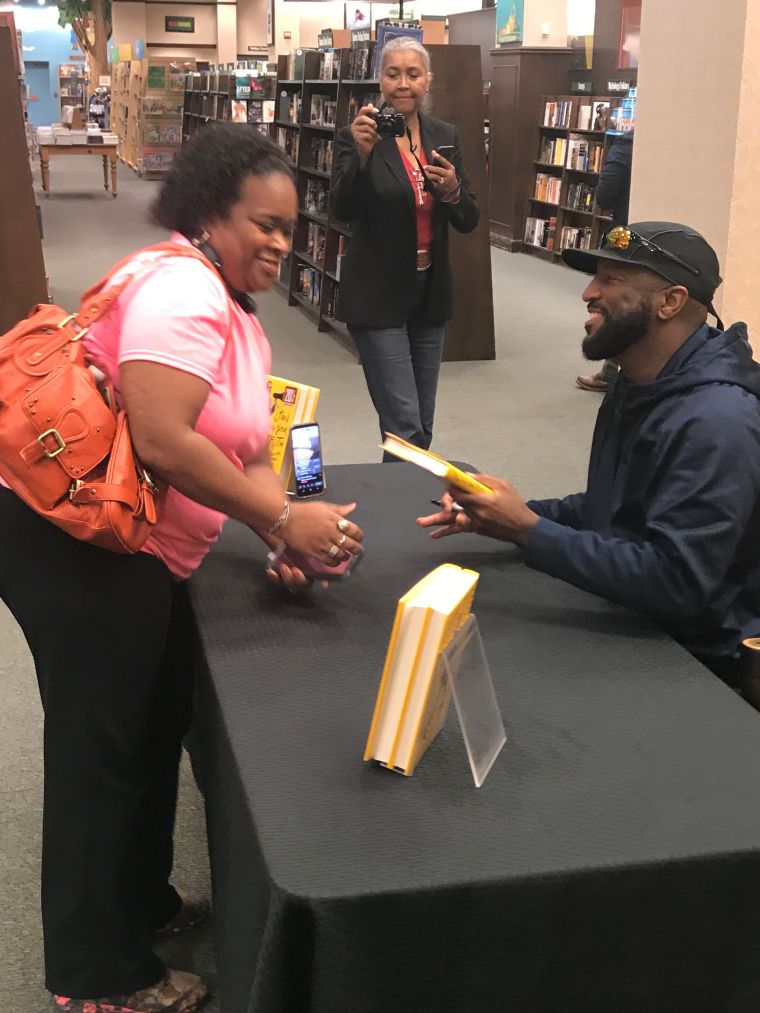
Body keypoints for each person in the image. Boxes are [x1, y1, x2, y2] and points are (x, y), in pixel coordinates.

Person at [0, 124, 364, 1013]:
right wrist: (282, 518)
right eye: (264, 225)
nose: (281, 242)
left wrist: (280, 530)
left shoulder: (224, 303)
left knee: (154, 722)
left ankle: (141, 900)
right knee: (104, 754)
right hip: (79, 548)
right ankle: (98, 979)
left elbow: (250, 439)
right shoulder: (185, 295)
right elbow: (165, 439)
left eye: (290, 226)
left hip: (126, 545)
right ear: (209, 214)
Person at [419, 222, 760, 692]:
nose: (587, 293)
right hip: (637, 620)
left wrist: (527, 529)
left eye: (610, 280)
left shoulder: (716, 421)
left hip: (698, 665)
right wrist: (503, 513)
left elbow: (679, 586)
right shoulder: (637, 380)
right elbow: (617, 507)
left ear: (670, 302)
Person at [331, 37, 480, 461]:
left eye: (413, 74)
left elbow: (468, 219)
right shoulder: (356, 135)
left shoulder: (443, 135)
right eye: (393, 73)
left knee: (422, 422)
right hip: (377, 295)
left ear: (426, 81)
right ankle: (401, 509)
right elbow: (342, 210)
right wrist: (360, 158)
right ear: (380, 79)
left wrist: (452, 190)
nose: (403, 83)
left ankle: (398, 501)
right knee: (404, 422)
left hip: (428, 293)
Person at [577, 130, 634, 392]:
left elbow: (604, 196)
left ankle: (610, 372)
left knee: (616, 304)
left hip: (626, 238)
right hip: (659, 238)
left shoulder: (623, 146)